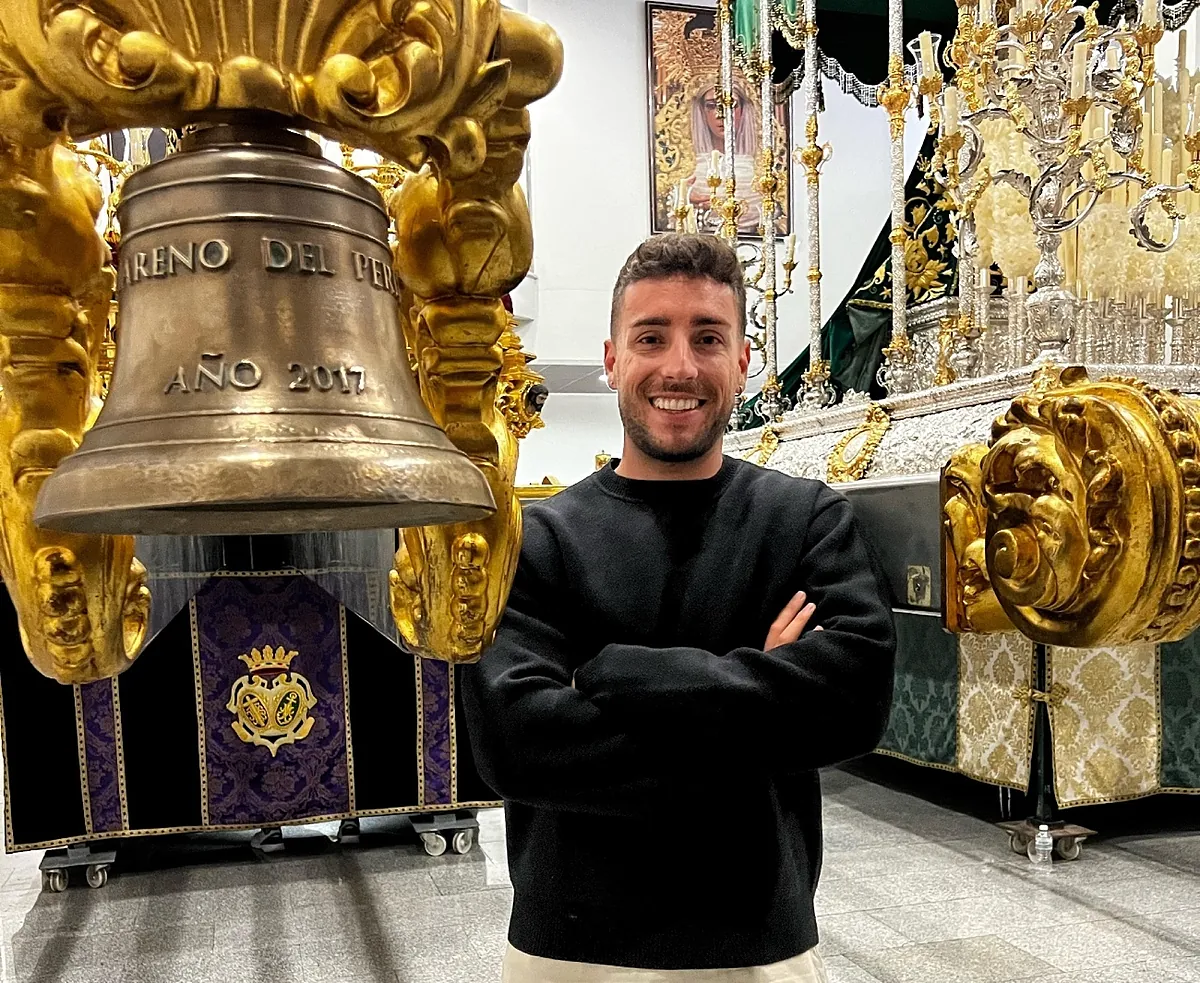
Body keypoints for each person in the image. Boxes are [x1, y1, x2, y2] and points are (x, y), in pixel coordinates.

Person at [462, 233, 896, 982]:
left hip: (758, 937)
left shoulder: (805, 520)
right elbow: (512, 743)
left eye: (707, 337)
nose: (679, 367)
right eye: (651, 337)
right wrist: (759, 689)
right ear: (612, 359)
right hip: (568, 942)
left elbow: (853, 703)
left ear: (742, 360)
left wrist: (614, 676)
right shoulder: (538, 539)